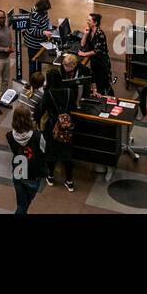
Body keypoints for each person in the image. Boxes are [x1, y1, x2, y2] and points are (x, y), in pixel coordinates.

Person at [43, 53, 85, 192]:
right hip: (66, 126)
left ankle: (50, 176)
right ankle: (69, 181)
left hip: (53, 126)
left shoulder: (48, 94)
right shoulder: (68, 91)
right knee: (67, 154)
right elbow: (73, 107)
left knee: (51, 152)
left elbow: (41, 109)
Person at [6, 106, 49, 214]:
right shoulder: (38, 136)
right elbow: (44, 152)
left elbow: (14, 151)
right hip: (33, 174)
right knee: (24, 205)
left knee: (21, 204)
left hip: (18, 172)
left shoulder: (10, 136)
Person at [78, 13, 112, 94]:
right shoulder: (90, 31)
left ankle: (108, 97)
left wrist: (84, 54)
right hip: (94, 61)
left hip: (101, 63)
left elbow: (97, 50)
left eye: (89, 20)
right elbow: (82, 44)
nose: (87, 22)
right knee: (95, 80)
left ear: (95, 23)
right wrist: (85, 34)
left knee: (103, 83)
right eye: (87, 20)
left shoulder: (100, 34)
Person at [22, 0, 55, 78]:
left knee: (39, 61)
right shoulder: (34, 16)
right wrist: (44, 32)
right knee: (33, 64)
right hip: (33, 44)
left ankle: (38, 79)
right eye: (45, 10)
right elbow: (32, 31)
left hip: (41, 43)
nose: (46, 12)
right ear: (41, 8)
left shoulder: (44, 12)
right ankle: (32, 81)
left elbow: (47, 20)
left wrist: (50, 28)